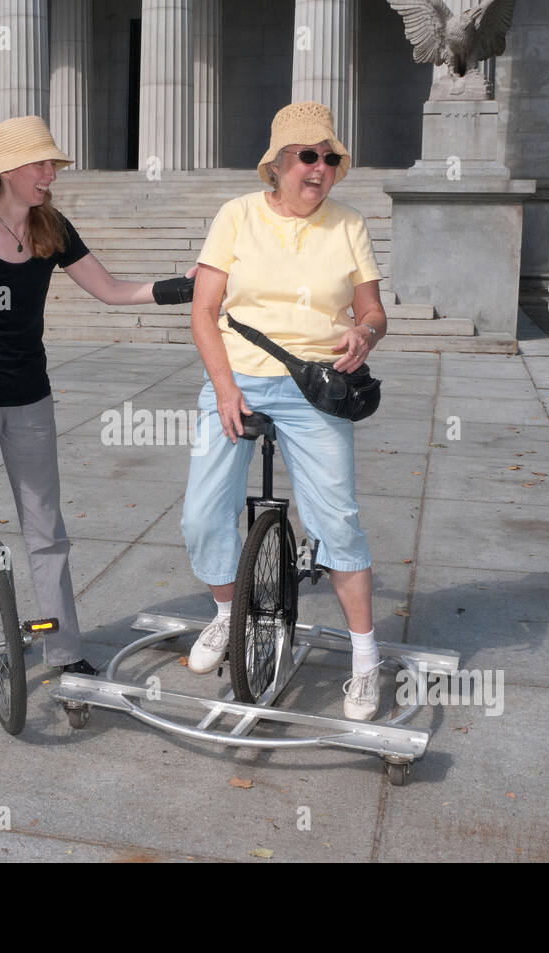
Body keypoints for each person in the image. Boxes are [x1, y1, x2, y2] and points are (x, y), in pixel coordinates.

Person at [0, 115, 195, 692]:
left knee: (46, 528)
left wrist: (184, 286)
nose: (51, 174)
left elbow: (112, 289)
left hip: (30, 398)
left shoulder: (52, 229)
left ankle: (62, 646)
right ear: (7, 172)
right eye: (41, 164)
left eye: (52, 164)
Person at [180, 101, 390, 720]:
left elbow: (374, 311)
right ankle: (226, 615)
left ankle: (365, 661)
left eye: (329, 158)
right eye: (307, 156)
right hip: (238, 378)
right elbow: (203, 309)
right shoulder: (236, 216)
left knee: (337, 522)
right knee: (201, 513)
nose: (319, 167)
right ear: (276, 165)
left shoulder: (348, 224)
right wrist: (223, 388)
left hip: (316, 385)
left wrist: (365, 336)